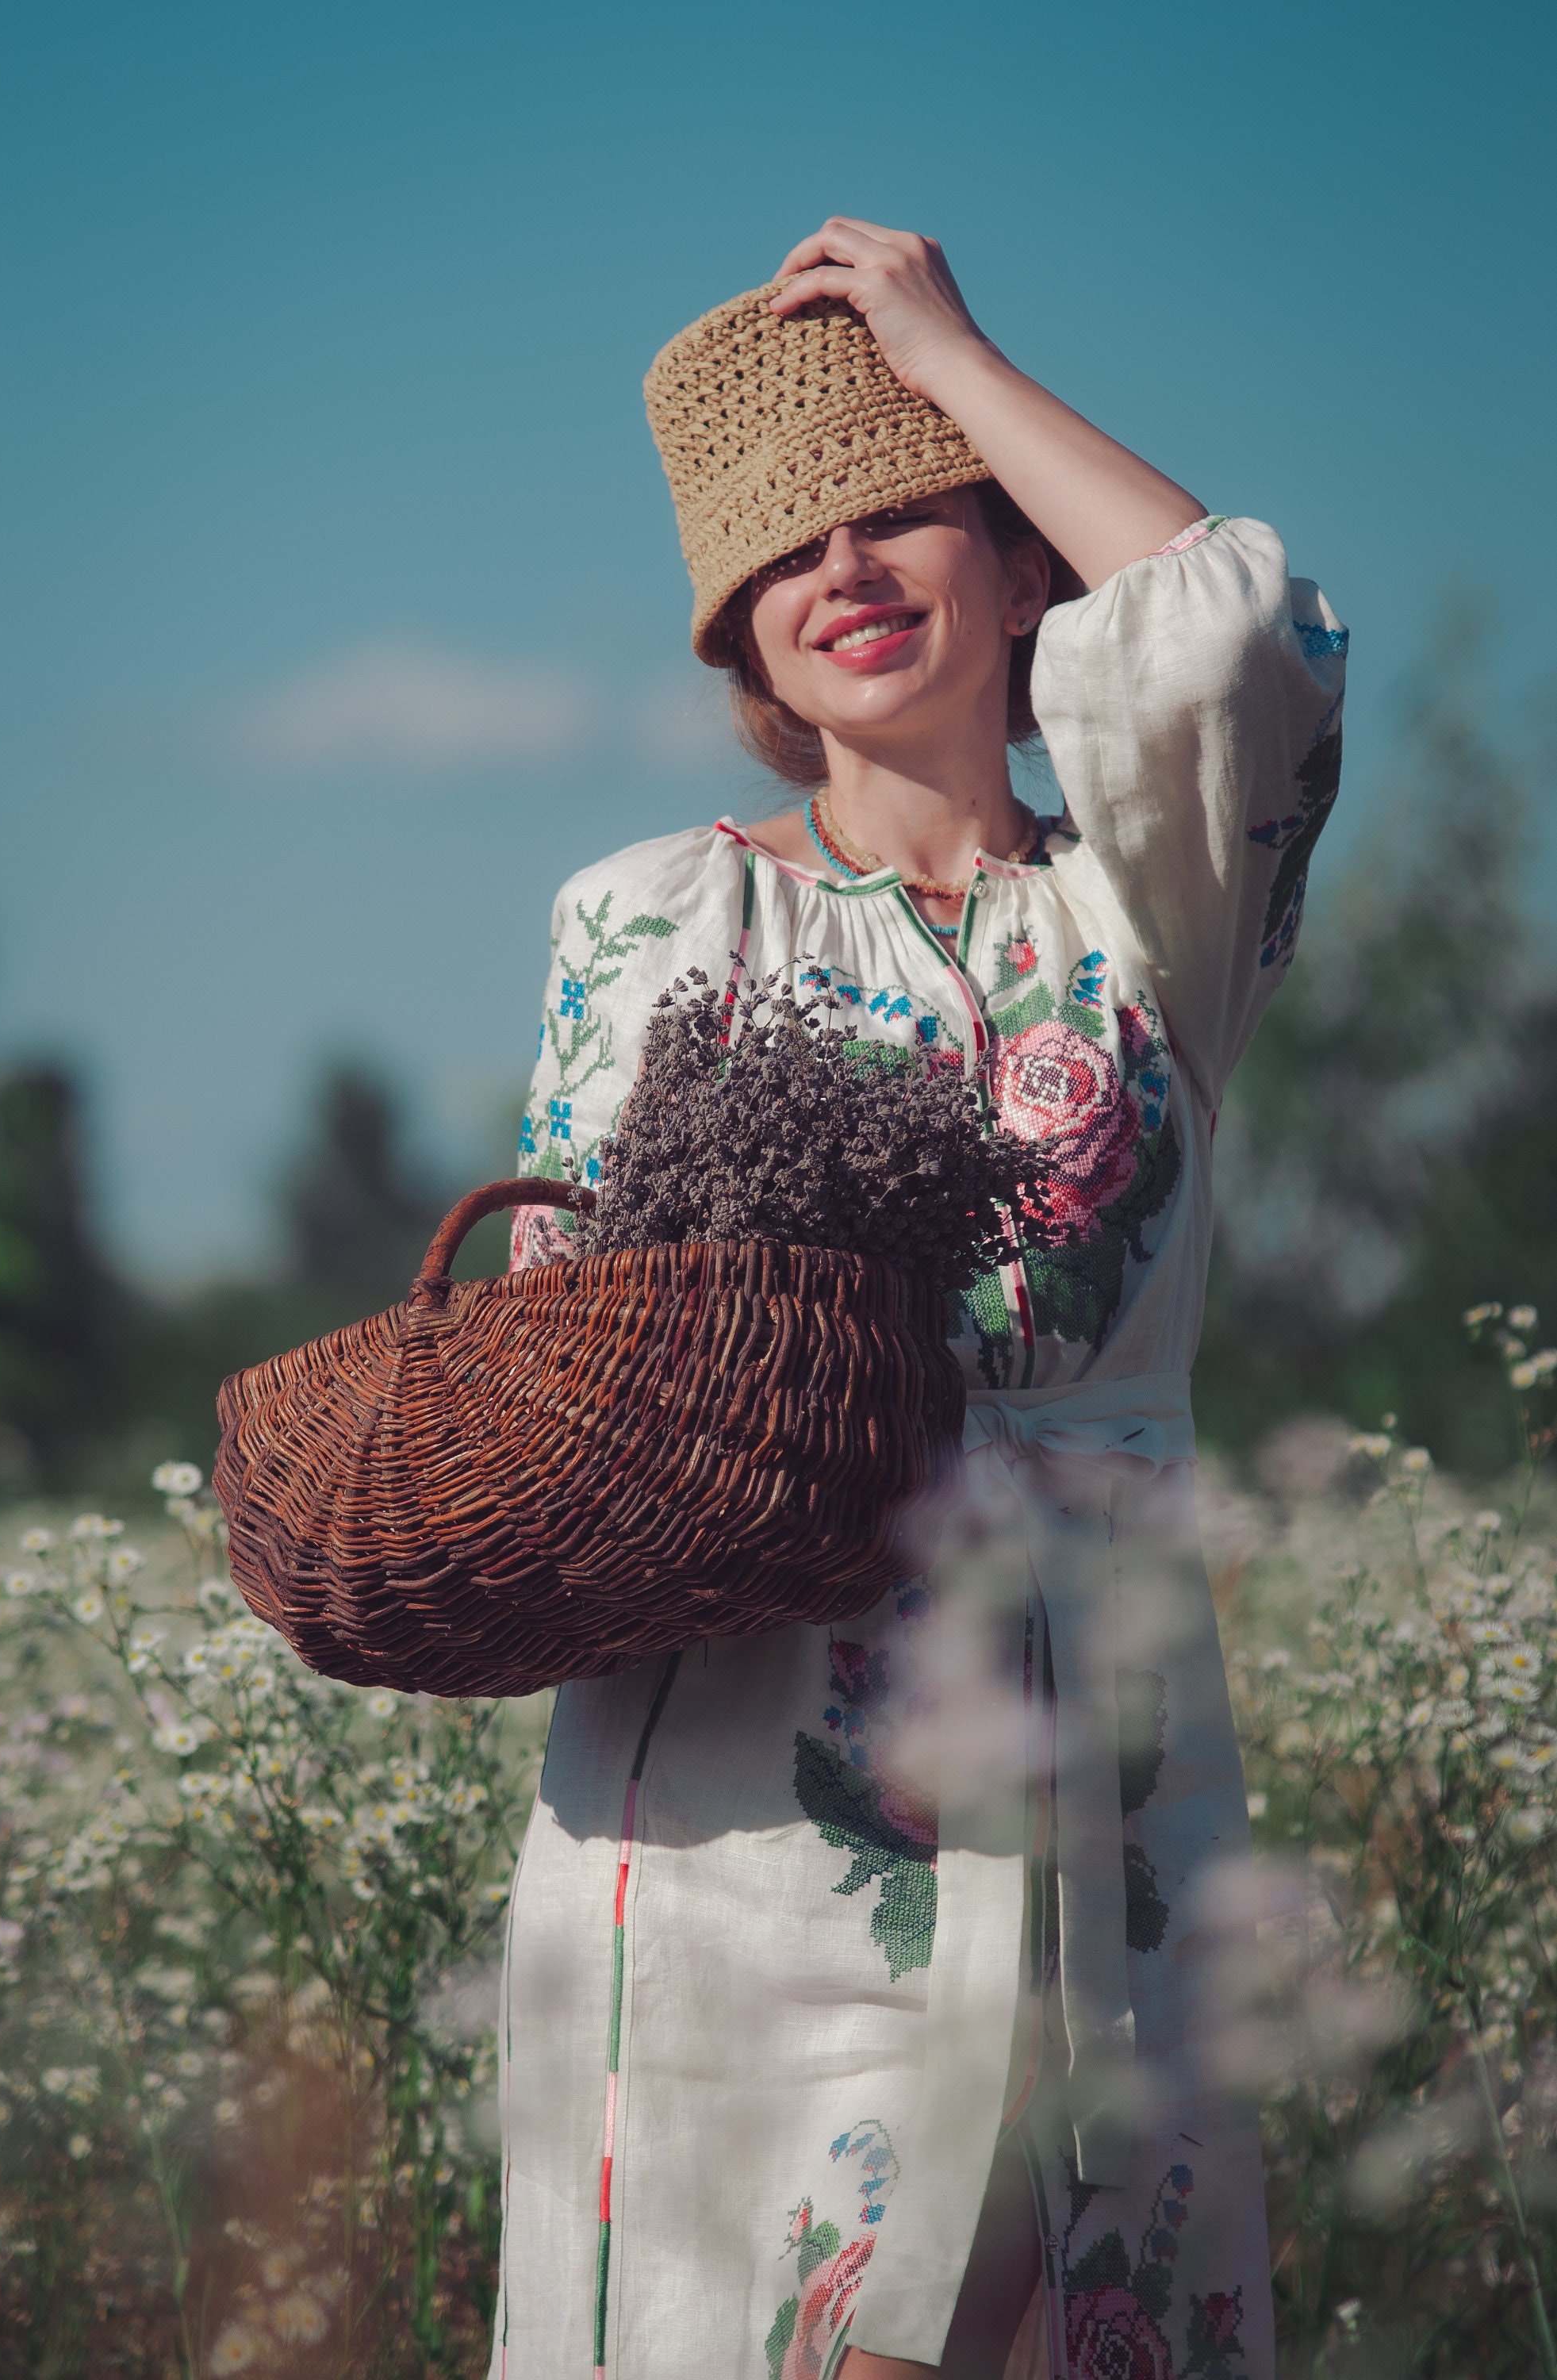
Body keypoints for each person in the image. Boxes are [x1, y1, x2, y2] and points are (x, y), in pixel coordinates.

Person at [489, 219, 1346, 2380]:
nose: (845, 570)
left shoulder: (1148, 918)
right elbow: (576, 1330)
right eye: (782, 554)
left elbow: (1238, 635)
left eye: (901, 514)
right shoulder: (661, 912)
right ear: (743, 646)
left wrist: (946, 354)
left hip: (1109, 1755)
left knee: (1078, 2314)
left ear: (1016, 566)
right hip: (766, 1755)